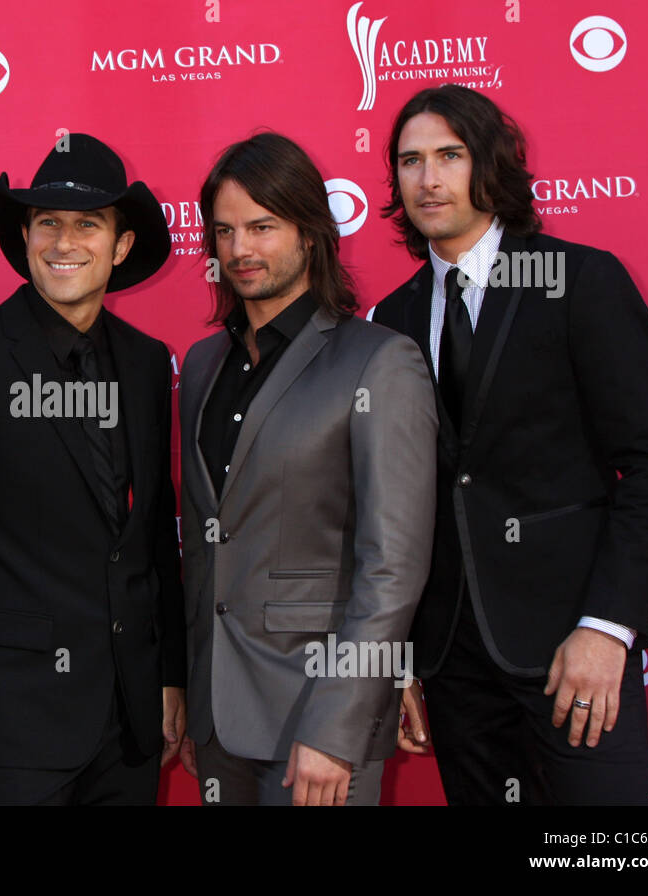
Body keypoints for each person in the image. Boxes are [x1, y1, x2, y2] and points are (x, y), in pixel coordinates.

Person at [370, 85, 648, 805]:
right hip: (454, 664)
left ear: (492, 164)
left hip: (573, 649)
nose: (428, 178)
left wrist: (608, 628)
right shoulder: (393, 317)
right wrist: (404, 658)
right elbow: (403, 503)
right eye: (410, 161)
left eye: (449, 155)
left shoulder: (581, 280)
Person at [0, 134, 185, 805]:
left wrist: (168, 677)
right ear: (24, 239)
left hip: (129, 726)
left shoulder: (143, 363)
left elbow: (153, 538)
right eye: (46, 223)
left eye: (87, 224)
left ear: (122, 244)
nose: (64, 242)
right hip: (9, 727)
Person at [178, 132, 437, 806]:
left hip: (318, 722)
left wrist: (339, 723)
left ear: (312, 233)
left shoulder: (379, 361)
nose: (239, 250)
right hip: (215, 720)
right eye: (225, 231)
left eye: (263, 227)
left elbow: (393, 565)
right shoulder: (202, 367)